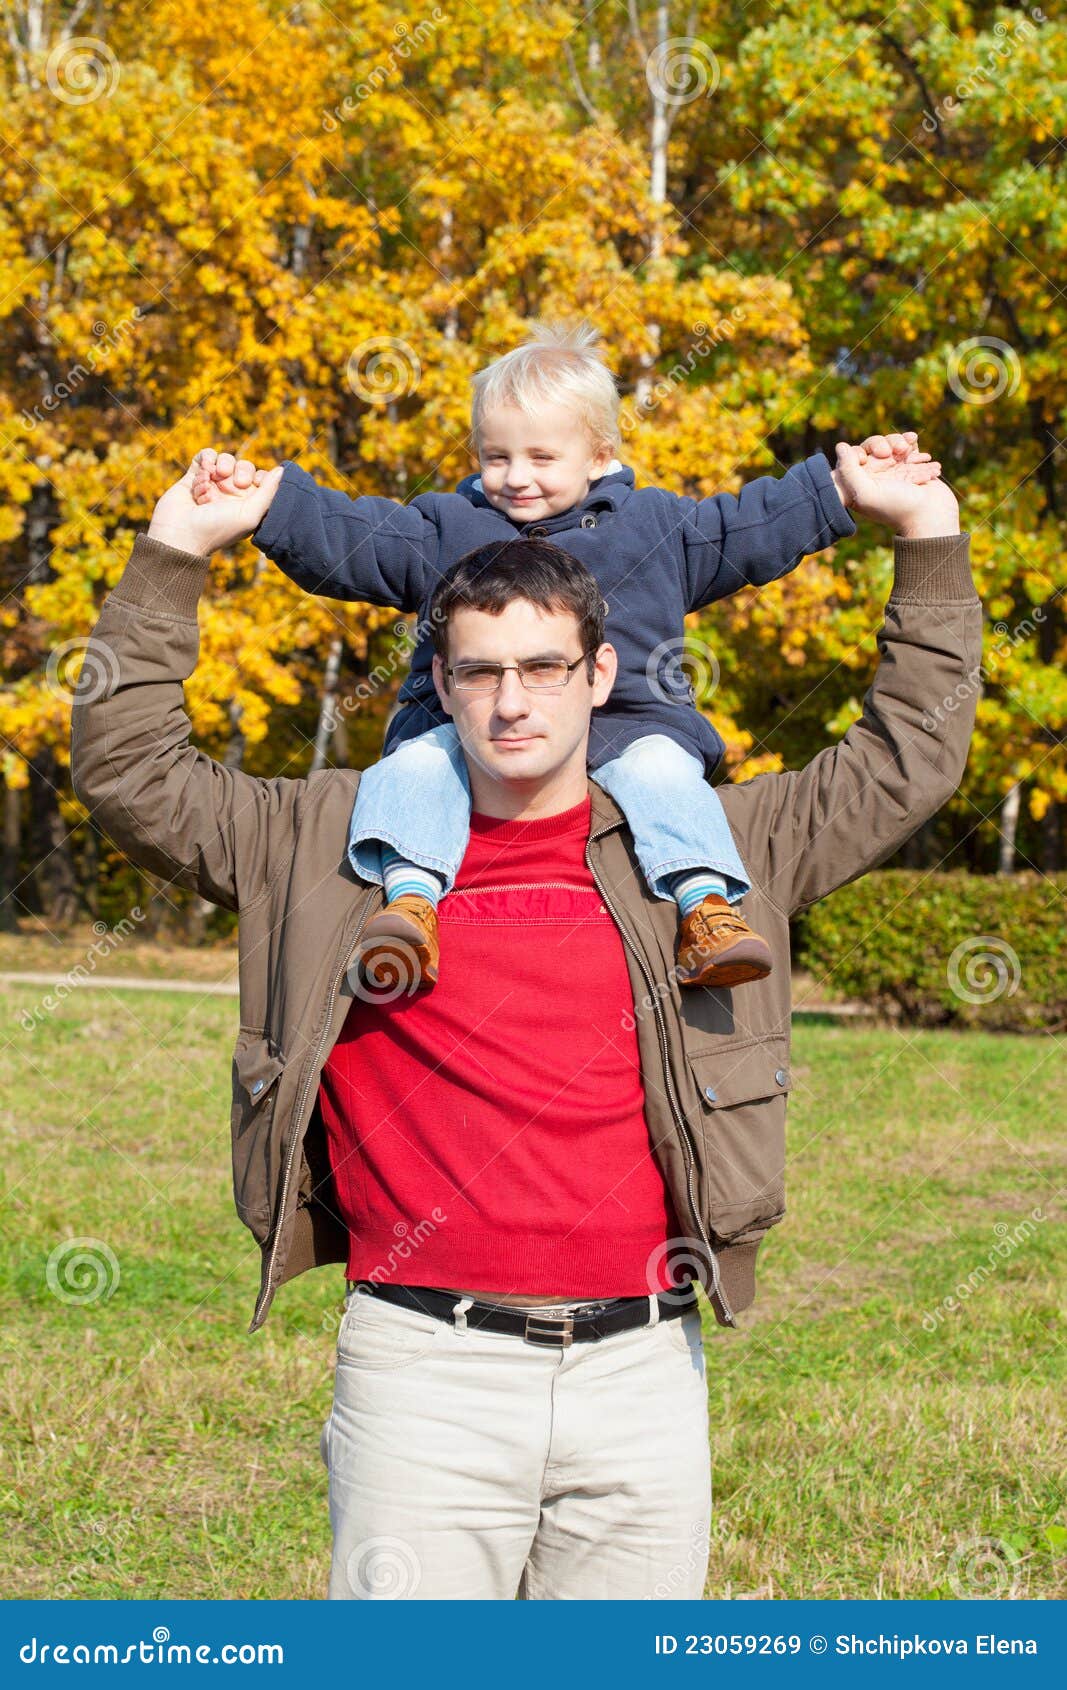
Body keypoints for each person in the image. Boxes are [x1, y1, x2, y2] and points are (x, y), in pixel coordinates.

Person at [70, 443, 977, 1600]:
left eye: (544, 668)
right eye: (480, 670)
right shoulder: (325, 845)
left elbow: (909, 756)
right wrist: (173, 554)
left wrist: (926, 537)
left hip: (642, 1369)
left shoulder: (711, 850)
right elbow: (128, 766)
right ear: (437, 684)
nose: (511, 701)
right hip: (419, 1371)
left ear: (601, 675)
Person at [190, 321, 941, 993]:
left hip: (632, 719)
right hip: (466, 732)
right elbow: (358, 541)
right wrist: (273, 504)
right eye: (496, 457)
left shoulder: (655, 526)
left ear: (600, 455)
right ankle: (411, 900)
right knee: (414, 768)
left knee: (663, 775)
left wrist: (838, 489)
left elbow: (746, 529)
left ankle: (704, 904)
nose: (516, 477)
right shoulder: (448, 526)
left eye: (541, 457)